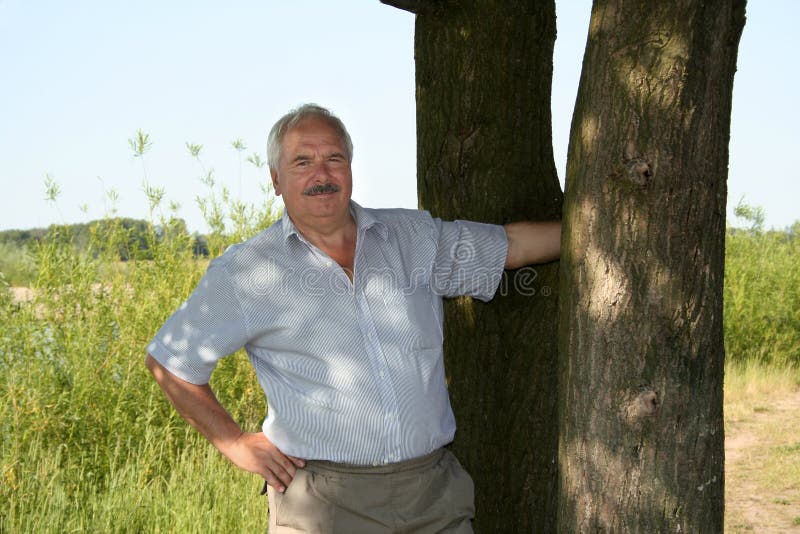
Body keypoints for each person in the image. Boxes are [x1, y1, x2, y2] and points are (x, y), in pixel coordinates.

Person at [145, 103, 561, 533]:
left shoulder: (411, 237)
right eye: (302, 162)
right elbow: (171, 363)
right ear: (275, 179)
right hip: (322, 507)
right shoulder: (246, 272)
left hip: (434, 499)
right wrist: (234, 442)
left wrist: (596, 228)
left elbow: (508, 246)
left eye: (334, 159)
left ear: (349, 169)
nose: (321, 174)